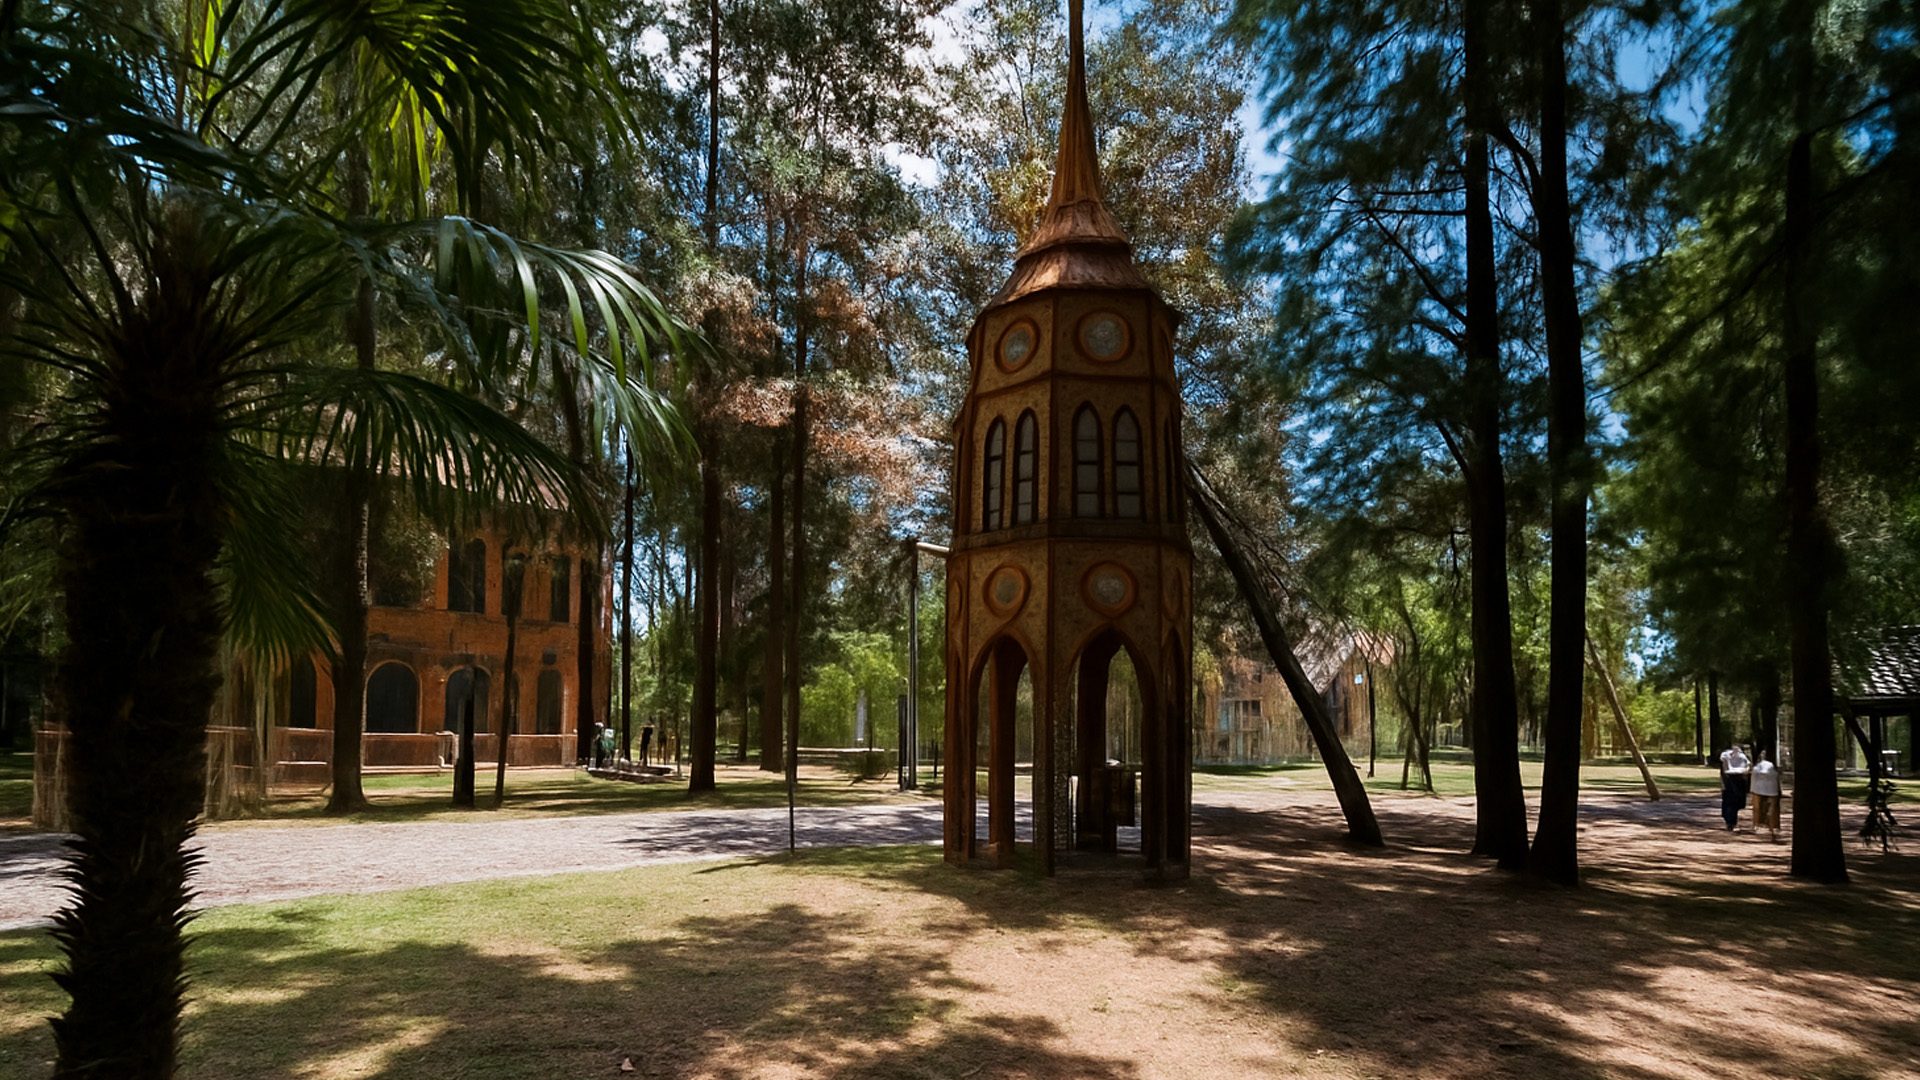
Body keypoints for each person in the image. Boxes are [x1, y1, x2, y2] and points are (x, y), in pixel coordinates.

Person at [1750, 748, 1782, 842]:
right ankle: (1772, 830)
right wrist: (1778, 791)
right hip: (1772, 791)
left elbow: (1753, 781)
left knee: (1756, 808)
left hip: (1757, 790)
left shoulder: (1756, 769)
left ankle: (1755, 825)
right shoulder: (1774, 770)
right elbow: (1777, 782)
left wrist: (1752, 790)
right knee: (1771, 811)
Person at [1719, 742, 1752, 831]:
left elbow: (1747, 767)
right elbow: (1724, 766)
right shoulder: (1727, 755)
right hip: (1732, 778)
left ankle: (1730, 821)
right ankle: (1730, 822)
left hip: (1736, 778)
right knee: (1731, 801)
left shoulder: (1740, 756)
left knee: (1734, 801)